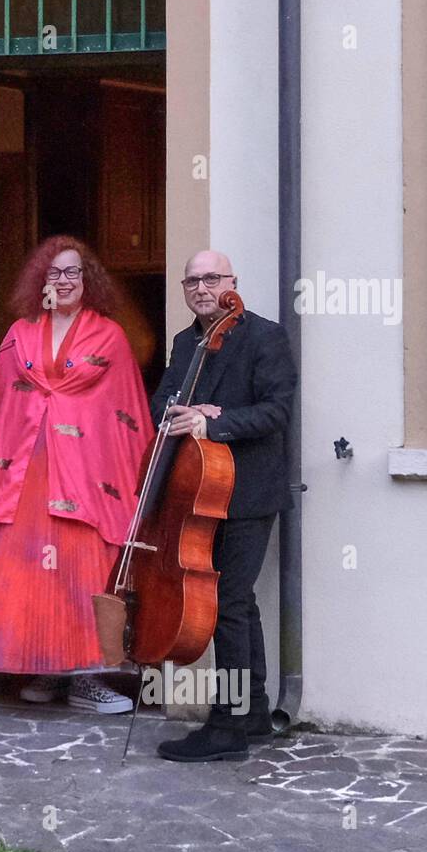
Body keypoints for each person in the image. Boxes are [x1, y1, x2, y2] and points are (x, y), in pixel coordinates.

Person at [0, 236, 153, 711]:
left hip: (85, 475)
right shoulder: (19, 333)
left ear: (87, 281)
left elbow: (124, 409)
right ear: (40, 281)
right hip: (23, 473)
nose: (63, 281)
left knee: (80, 573)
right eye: (54, 273)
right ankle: (44, 669)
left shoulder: (110, 336)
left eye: (73, 272)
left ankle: (85, 678)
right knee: (27, 574)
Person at [153, 250, 298, 762]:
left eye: (211, 278)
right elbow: (162, 402)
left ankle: (227, 727)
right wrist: (176, 413)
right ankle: (253, 711)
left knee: (227, 603)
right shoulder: (185, 342)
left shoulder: (264, 336)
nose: (200, 288)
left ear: (232, 281)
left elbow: (277, 411)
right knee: (238, 602)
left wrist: (216, 422)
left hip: (249, 492)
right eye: (191, 280)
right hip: (199, 493)